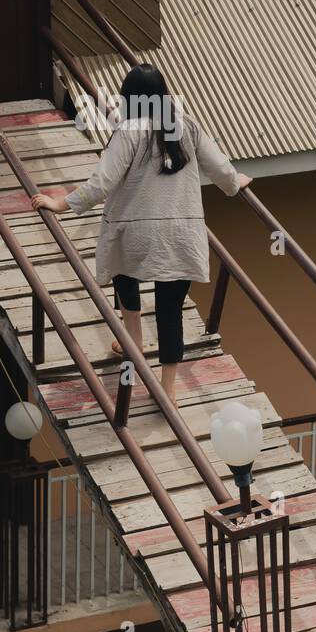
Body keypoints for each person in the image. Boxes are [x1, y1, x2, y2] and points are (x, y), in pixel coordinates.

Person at [31, 63, 251, 406]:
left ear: (129, 98)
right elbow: (220, 169)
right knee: (170, 311)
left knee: (125, 276)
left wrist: (61, 203)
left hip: (134, 233)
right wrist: (236, 182)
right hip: (182, 234)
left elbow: (102, 183)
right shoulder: (188, 126)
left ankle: (133, 350)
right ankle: (168, 389)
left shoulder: (128, 131)